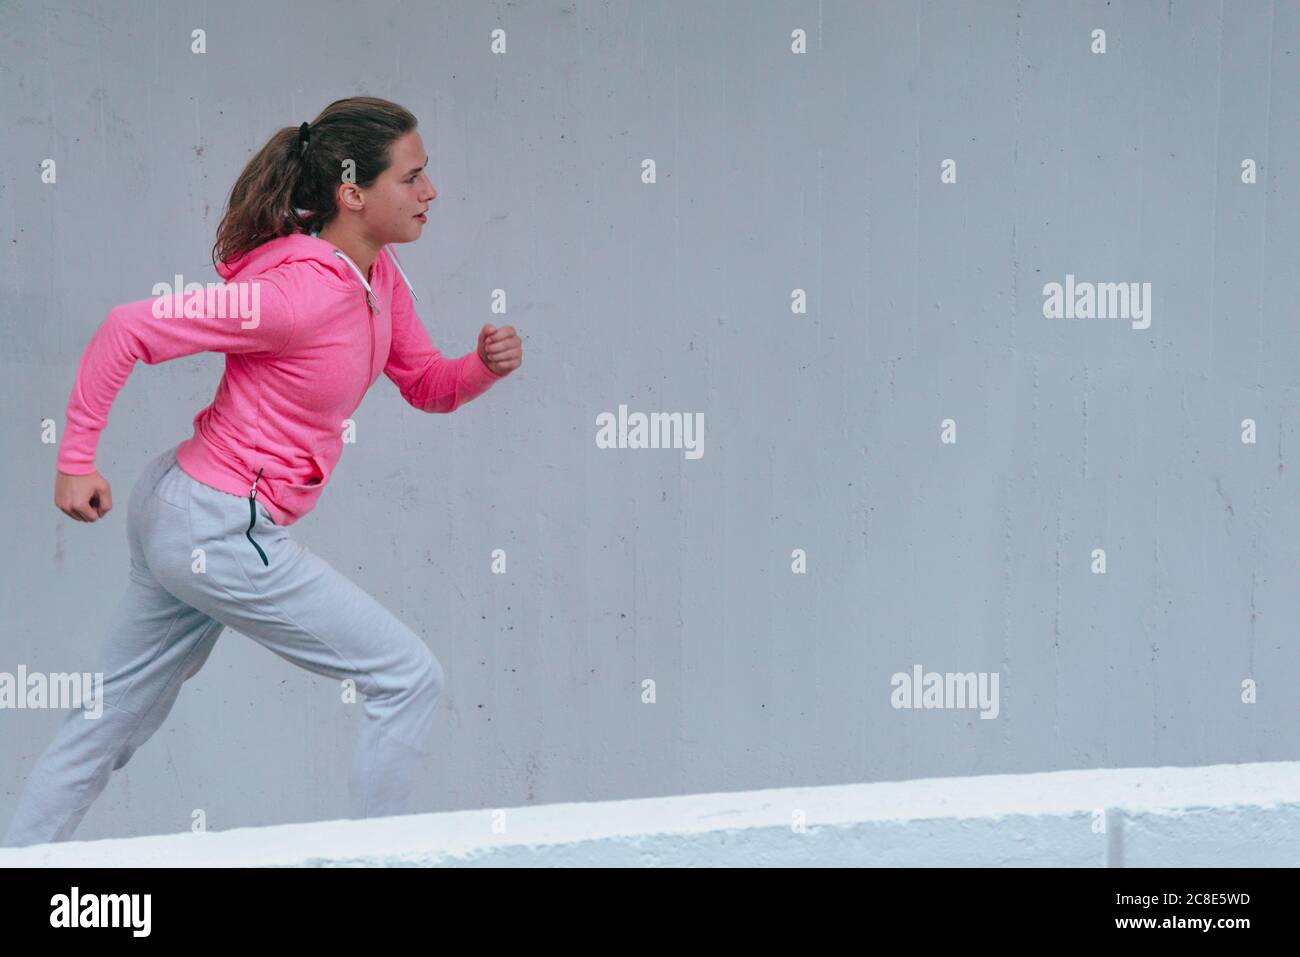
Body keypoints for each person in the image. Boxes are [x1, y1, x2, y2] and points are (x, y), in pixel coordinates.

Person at [3, 96, 522, 846]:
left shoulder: (378, 276)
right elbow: (128, 328)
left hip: (188, 512)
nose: (430, 192)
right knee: (407, 676)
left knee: (105, 722)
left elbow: (424, 383)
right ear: (352, 193)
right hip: (216, 523)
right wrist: (74, 460)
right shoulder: (295, 295)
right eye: (412, 177)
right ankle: (378, 862)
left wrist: (481, 367)